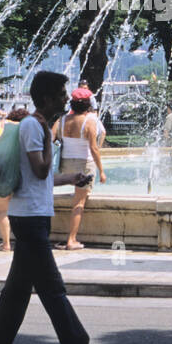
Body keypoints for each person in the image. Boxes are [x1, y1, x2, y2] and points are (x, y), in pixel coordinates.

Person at [0, 71, 110, 344]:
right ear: (49, 97)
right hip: (29, 220)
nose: (67, 98)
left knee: (17, 290)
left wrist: (70, 178)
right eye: (63, 94)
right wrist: (50, 139)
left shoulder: (37, 126)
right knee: (53, 288)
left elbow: (42, 178)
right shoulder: (32, 126)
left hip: (33, 215)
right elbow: (40, 170)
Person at [55, 89, 106, 250]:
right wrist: (102, 171)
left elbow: (51, 139)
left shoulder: (62, 119)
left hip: (65, 164)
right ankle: (71, 240)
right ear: (88, 104)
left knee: (77, 197)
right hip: (84, 164)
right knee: (79, 203)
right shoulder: (89, 121)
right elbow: (94, 148)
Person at [0, 107, 31, 251]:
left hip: (1, 171)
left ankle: (6, 244)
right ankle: (24, 241)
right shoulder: (26, 128)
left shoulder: (1, 126)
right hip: (21, 171)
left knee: (2, 211)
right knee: (24, 210)